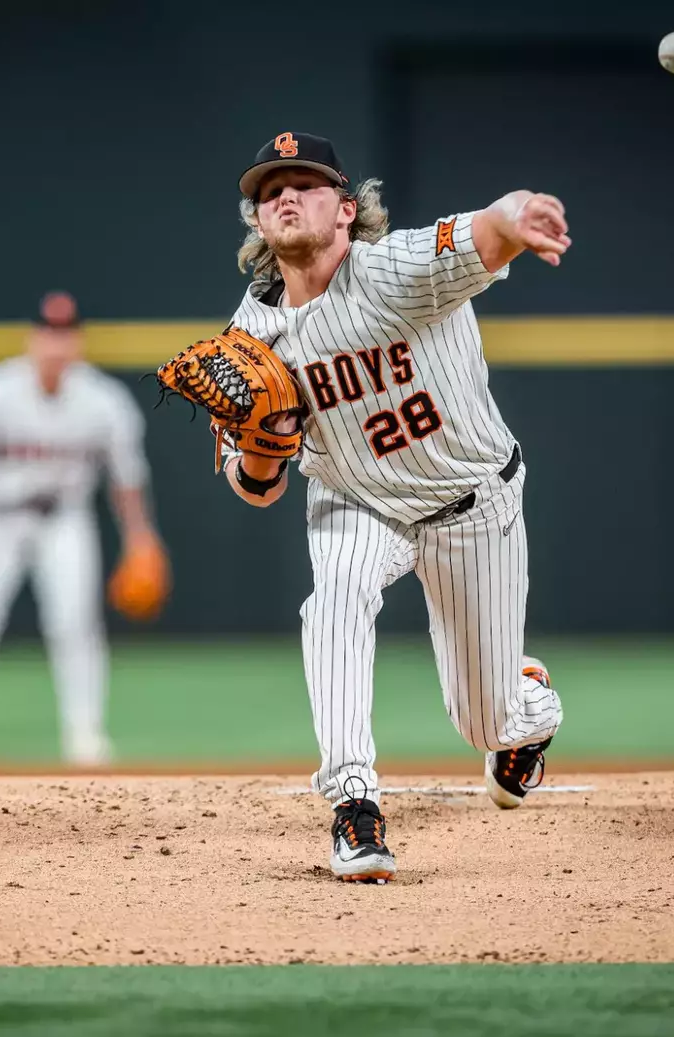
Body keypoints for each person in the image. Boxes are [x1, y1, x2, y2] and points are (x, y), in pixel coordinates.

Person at [215, 132, 570, 882]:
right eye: (269, 190)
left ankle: (525, 705)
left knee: (486, 721)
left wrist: (521, 213)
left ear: (346, 210)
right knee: (332, 602)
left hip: (469, 502)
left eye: (305, 184)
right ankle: (353, 805)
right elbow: (254, 487)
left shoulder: (399, 269)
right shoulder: (246, 343)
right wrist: (266, 447)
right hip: (354, 499)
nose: (284, 195)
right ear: (256, 223)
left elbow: (488, 226)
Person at [0, 291, 165, 767]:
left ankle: (85, 733)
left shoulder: (104, 400)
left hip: (64, 520)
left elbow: (126, 481)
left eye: (65, 335)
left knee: (75, 626)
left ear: (78, 342)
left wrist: (140, 536)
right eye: (48, 334)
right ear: (32, 338)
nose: (56, 344)